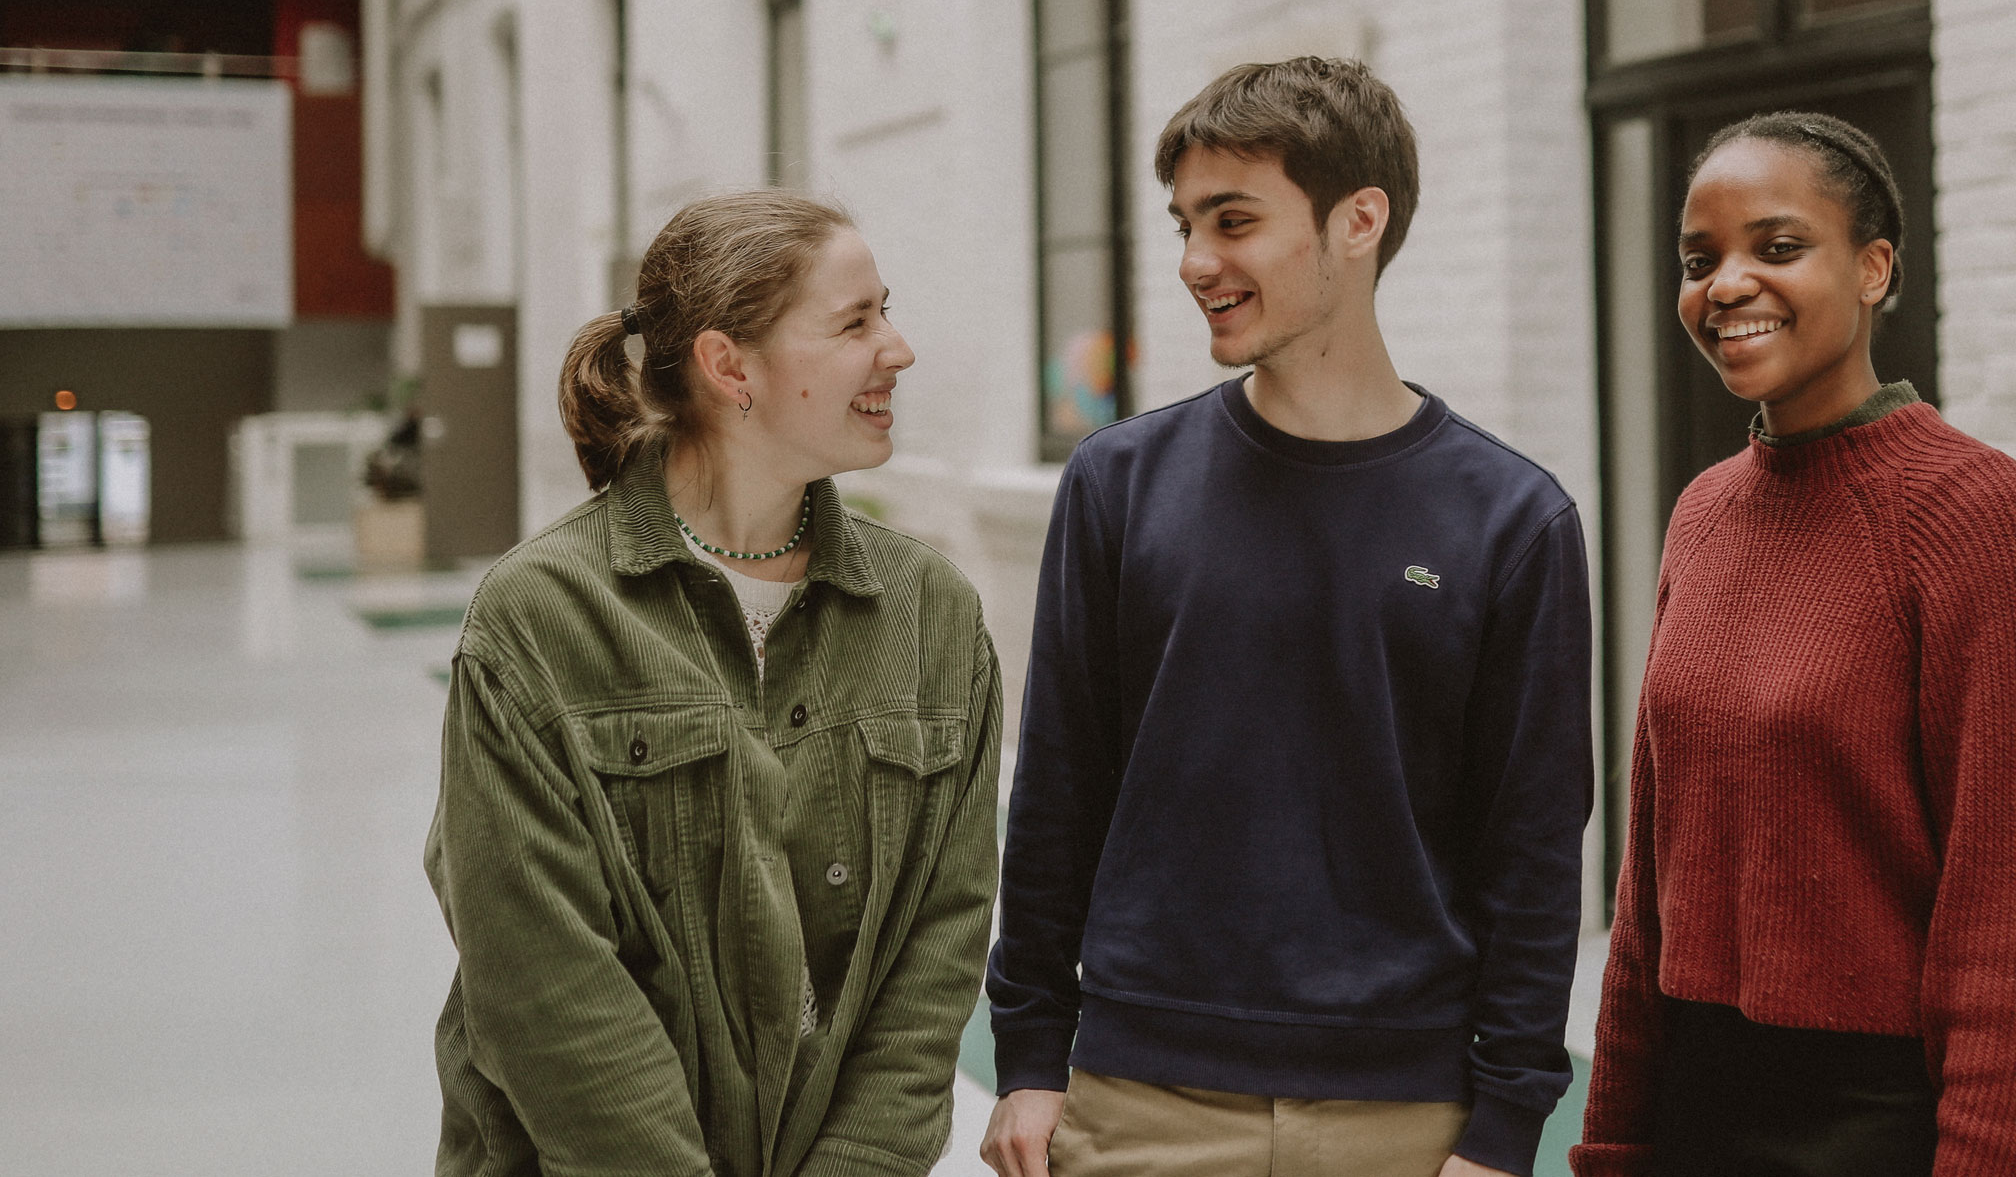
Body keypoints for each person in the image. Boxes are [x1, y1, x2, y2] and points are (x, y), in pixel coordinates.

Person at [983, 58, 1593, 1177]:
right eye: (1183, 225)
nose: (1194, 262)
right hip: (1137, 1107)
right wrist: (1027, 1055)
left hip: (1404, 1121)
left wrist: (1505, 1128)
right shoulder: (1119, 484)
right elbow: (1059, 790)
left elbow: (1533, 848)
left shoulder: (1512, 518)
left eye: (1234, 220)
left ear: (1358, 220)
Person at [1572, 113, 2016, 1177]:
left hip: (1874, 1128)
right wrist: (1616, 1139)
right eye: (1701, 260)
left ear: (1874, 267)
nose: (1727, 283)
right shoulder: (1702, 512)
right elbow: (1648, 894)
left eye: (1776, 247)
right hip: (1694, 1109)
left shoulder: (1973, 510)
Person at [426, 190, 1000, 1177]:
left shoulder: (930, 614)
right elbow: (542, 987)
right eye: (855, 322)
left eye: (886, 312)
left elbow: (939, 951)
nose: (897, 349)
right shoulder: (540, 617)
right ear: (731, 365)